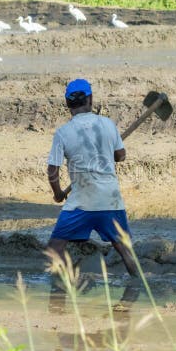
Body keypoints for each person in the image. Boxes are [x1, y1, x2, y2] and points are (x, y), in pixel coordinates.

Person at [46, 78, 138, 277]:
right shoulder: (107, 124)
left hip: (81, 203)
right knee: (124, 249)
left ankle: (64, 290)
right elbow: (121, 156)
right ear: (90, 99)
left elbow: (52, 171)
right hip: (111, 201)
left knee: (55, 248)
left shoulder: (63, 133)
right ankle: (139, 285)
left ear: (68, 104)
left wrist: (59, 193)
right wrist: (109, 152)